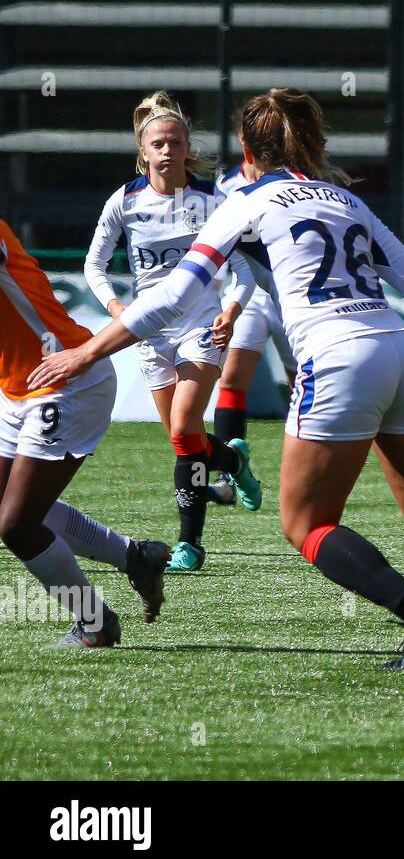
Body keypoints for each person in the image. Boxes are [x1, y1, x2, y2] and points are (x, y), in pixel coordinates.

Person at [33, 88, 404, 669]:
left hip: (337, 357)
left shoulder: (243, 199)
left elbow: (173, 297)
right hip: (400, 348)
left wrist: (86, 354)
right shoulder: (344, 200)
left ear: (247, 151)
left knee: (305, 522)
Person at [84, 91, 262, 572]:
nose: (167, 150)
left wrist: (231, 310)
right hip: (150, 335)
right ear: (142, 151)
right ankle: (233, 462)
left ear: (187, 148)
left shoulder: (213, 201)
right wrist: (122, 311)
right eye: (157, 144)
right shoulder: (124, 201)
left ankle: (190, 544)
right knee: (186, 441)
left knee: (185, 429)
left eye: (175, 142)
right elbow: (94, 266)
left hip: (200, 327)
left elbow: (244, 269)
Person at [1, 218, 171, 647]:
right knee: (10, 509)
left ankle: (95, 622)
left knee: (17, 524)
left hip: (68, 381)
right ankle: (135, 556)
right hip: (18, 387)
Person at [210, 156, 297, 501]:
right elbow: (220, 243)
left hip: (292, 294)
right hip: (248, 294)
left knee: (302, 385)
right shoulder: (225, 187)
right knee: (231, 380)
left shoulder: (295, 181)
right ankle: (228, 479)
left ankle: (302, 478)